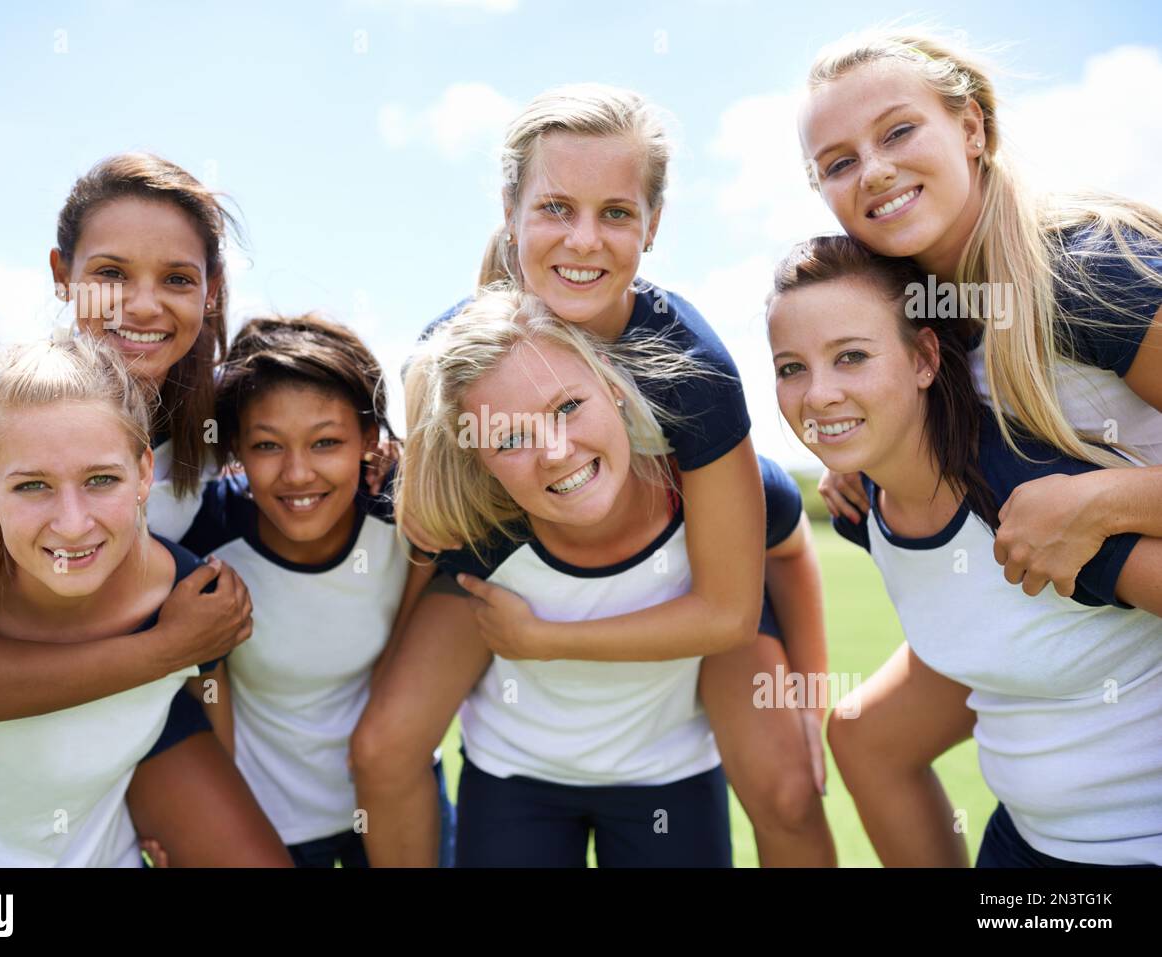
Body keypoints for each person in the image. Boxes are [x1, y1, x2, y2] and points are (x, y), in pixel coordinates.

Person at [354, 84, 836, 868]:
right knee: (383, 744)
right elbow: (431, 527)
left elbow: (736, 597)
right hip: (516, 565)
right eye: (555, 208)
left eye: (615, 212)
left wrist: (806, 694)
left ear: (652, 225)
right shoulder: (454, 355)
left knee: (786, 785)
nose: (584, 241)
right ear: (509, 212)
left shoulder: (691, 371)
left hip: (685, 584)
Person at [798, 28, 1162, 864]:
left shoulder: (1084, 274)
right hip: (1041, 801)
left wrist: (1102, 502)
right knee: (864, 734)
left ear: (971, 127)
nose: (875, 170)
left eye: (897, 132)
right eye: (839, 162)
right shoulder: (936, 310)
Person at [0, 153, 288, 865]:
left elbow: (312, 440)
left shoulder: (212, 410)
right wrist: (167, 649)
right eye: (110, 275)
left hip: (129, 680)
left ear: (210, 292)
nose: (144, 305)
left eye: (177, 279)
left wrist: (383, 467)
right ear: (62, 275)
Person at [169, 314, 456, 867]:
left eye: (326, 442)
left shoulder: (407, 519)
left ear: (368, 440)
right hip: (270, 828)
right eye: (268, 446)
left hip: (396, 809)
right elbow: (206, 710)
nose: (298, 474)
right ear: (236, 450)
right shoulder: (205, 543)